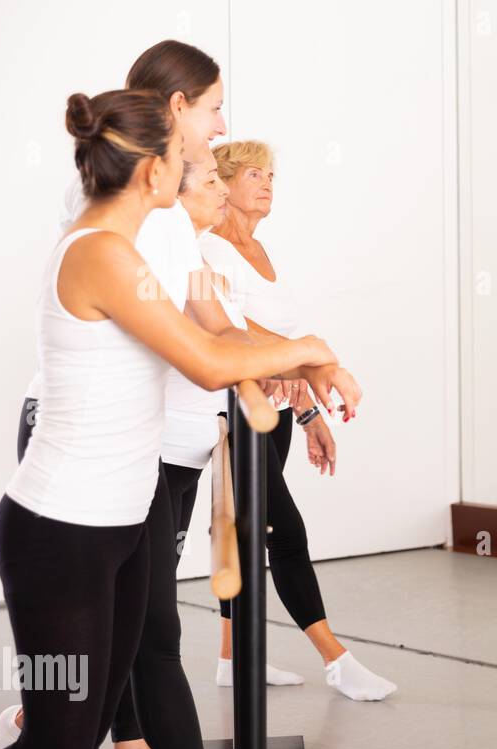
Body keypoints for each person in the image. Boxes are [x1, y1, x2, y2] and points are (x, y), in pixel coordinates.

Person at [0, 87, 342, 749]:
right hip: (61, 530)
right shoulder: (100, 254)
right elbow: (209, 360)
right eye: (186, 162)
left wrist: (295, 373)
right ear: (151, 171)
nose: (196, 175)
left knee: (76, 742)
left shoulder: (140, 248)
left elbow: (219, 332)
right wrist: (310, 351)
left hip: (120, 522)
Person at [199, 140, 395, 701]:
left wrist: (309, 413)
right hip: (233, 416)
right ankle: (337, 660)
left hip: (278, 416)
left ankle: (231, 661)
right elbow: (230, 331)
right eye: (253, 174)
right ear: (223, 183)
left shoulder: (260, 252)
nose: (266, 185)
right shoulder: (206, 252)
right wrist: (315, 361)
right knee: (285, 535)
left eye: (271, 176)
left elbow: (279, 349)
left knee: (243, 539)